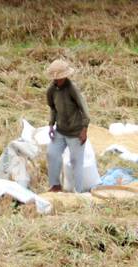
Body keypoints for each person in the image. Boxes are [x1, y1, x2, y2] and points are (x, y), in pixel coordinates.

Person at [45, 59, 91, 193]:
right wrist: (51, 125)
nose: (57, 80)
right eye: (55, 79)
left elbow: (84, 108)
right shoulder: (51, 91)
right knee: (52, 154)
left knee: (76, 161)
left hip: (75, 132)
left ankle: (79, 191)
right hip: (60, 130)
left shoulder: (72, 89)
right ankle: (55, 185)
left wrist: (84, 129)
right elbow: (53, 109)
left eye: (60, 78)